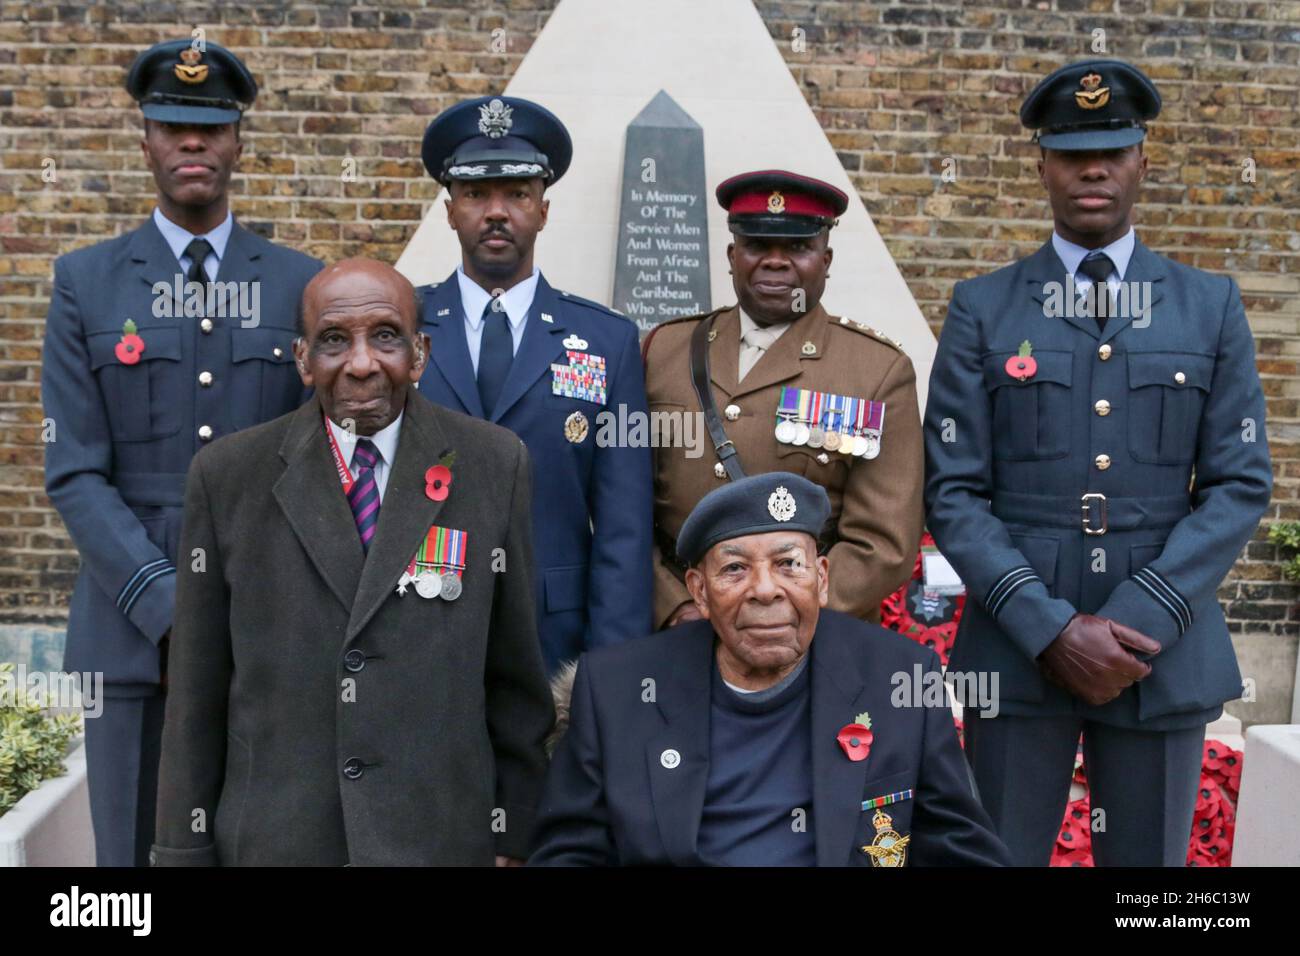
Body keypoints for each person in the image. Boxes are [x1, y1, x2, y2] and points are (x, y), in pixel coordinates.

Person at [923, 59, 1273, 866]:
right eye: (1073, 151)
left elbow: (1239, 483)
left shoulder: (1208, 304)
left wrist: (1140, 620)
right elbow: (955, 489)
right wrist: (1049, 631)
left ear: (1143, 161)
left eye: (1113, 150)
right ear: (1042, 164)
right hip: (1019, 649)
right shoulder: (985, 307)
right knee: (998, 857)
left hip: (1163, 644)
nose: (1093, 168)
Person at [151, 259, 553, 865]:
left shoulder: (495, 465)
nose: (362, 364)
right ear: (303, 359)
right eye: (335, 340)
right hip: (276, 843)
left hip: (439, 841)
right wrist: (183, 851)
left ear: (419, 354)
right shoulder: (228, 477)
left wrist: (513, 836)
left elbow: (515, 678)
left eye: (386, 336)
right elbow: (195, 694)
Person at [40, 38, 322, 867]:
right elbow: (74, 469)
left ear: (238, 140)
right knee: (127, 855)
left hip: (261, 619)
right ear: (146, 140)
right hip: (127, 628)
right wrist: (164, 602)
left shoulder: (296, 283)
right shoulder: (85, 283)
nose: (191, 144)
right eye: (172, 126)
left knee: (261, 842)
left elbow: (310, 459)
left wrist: (245, 599)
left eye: (210, 127)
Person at [530, 472, 1009, 866]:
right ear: (698, 590)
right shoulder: (618, 689)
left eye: (788, 564)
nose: (765, 589)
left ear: (821, 579)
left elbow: (960, 848)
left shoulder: (900, 678)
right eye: (735, 569)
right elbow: (568, 854)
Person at [415, 96, 653, 673]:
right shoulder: (402, 329)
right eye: (475, 195)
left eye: (518, 194)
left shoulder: (607, 341)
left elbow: (624, 525)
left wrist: (611, 671)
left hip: (553, 645)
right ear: (450, 210)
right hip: (417, 628)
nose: (497, 213)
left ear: (543, 210)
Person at [643, 170, 923, 633]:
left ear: (825, 259)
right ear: (732, 256)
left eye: (796, 247)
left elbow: (883, 543)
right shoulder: (663, 351)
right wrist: (676, 605)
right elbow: (626, 510)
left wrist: (779, 613)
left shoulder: (876, 371)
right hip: (679, 631)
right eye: (756, 246)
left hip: (811, 637)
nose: (775, 263)